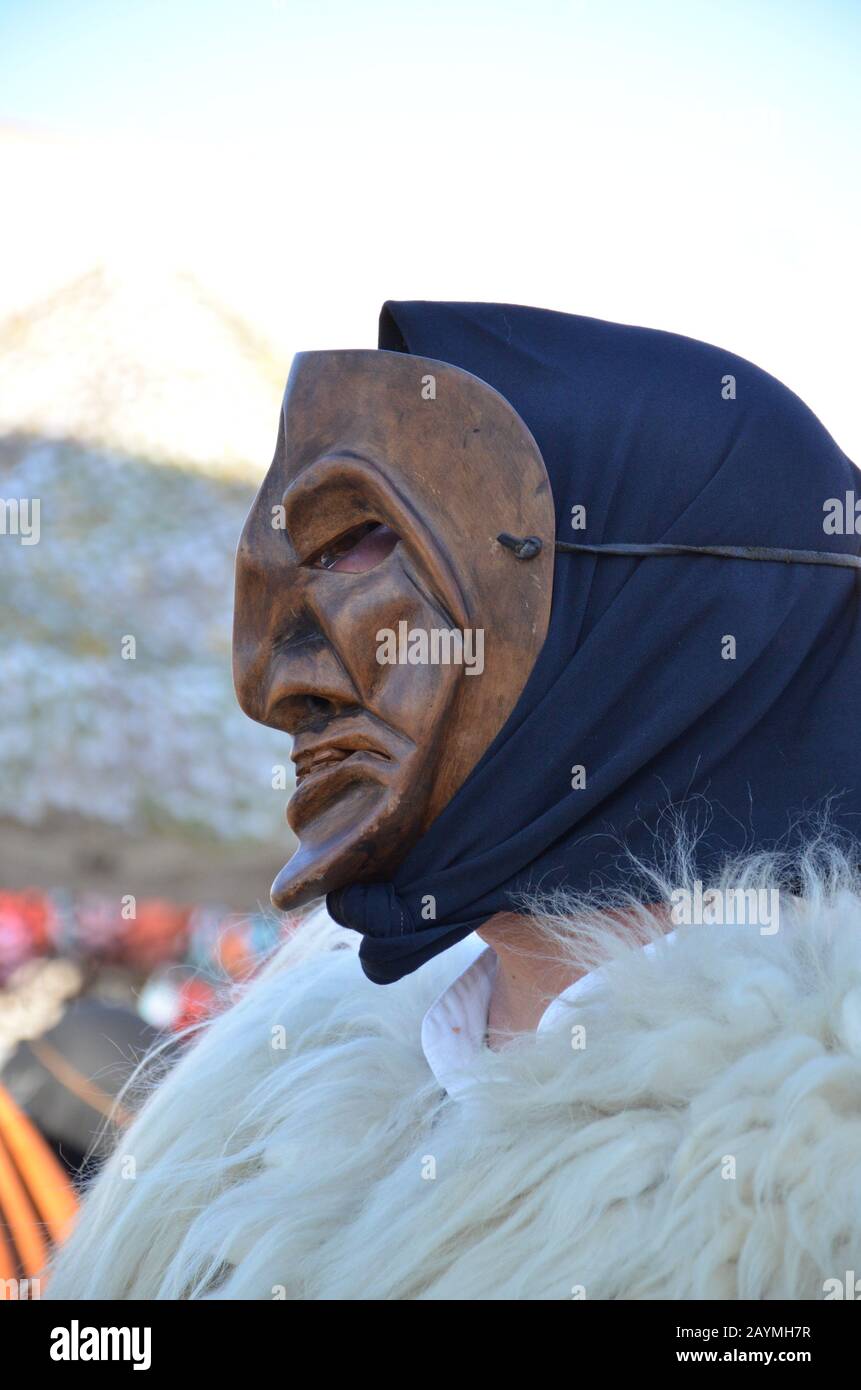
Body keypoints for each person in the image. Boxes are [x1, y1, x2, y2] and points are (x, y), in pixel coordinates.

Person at [48, 302, 861, 1300]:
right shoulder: (252, 1142)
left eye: (363, 546)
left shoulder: (803, 1234)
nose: (273, 685)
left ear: (659, 630)